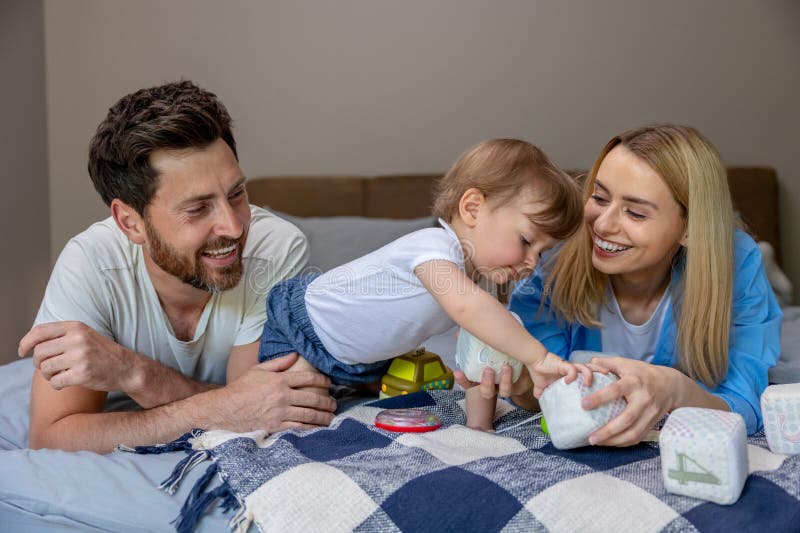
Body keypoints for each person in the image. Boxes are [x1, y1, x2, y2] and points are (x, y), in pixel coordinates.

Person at [17, 80, 336, 453]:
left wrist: (136, 375)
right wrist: (226, 405)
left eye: (236, 194)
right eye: (198, 208)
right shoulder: (90, 265)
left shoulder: (276, 250)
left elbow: (257, 413)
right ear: (131, 223)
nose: (234, 227)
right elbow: (51, 436)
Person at [257, 139, 590, 430]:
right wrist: (537, 357)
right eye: (526, 241)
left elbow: (477, 363)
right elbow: (469, 307)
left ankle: (349, 385)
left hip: (363, 364)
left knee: (423, 385)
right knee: (304, 414)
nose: (533, 262)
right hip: (303, 329)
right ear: (472, 208)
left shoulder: (476, 290)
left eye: (542, 252)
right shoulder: (433, 247)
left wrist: (479, 427)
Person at [507, 124, 782, 445]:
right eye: (599, 197)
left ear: (690, 228)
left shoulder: (737, 262)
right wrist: (522, 387)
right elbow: (547, 387)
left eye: (636, 213)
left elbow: (744, 402)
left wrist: (677, 390)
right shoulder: (553, 258)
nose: (602, 224)